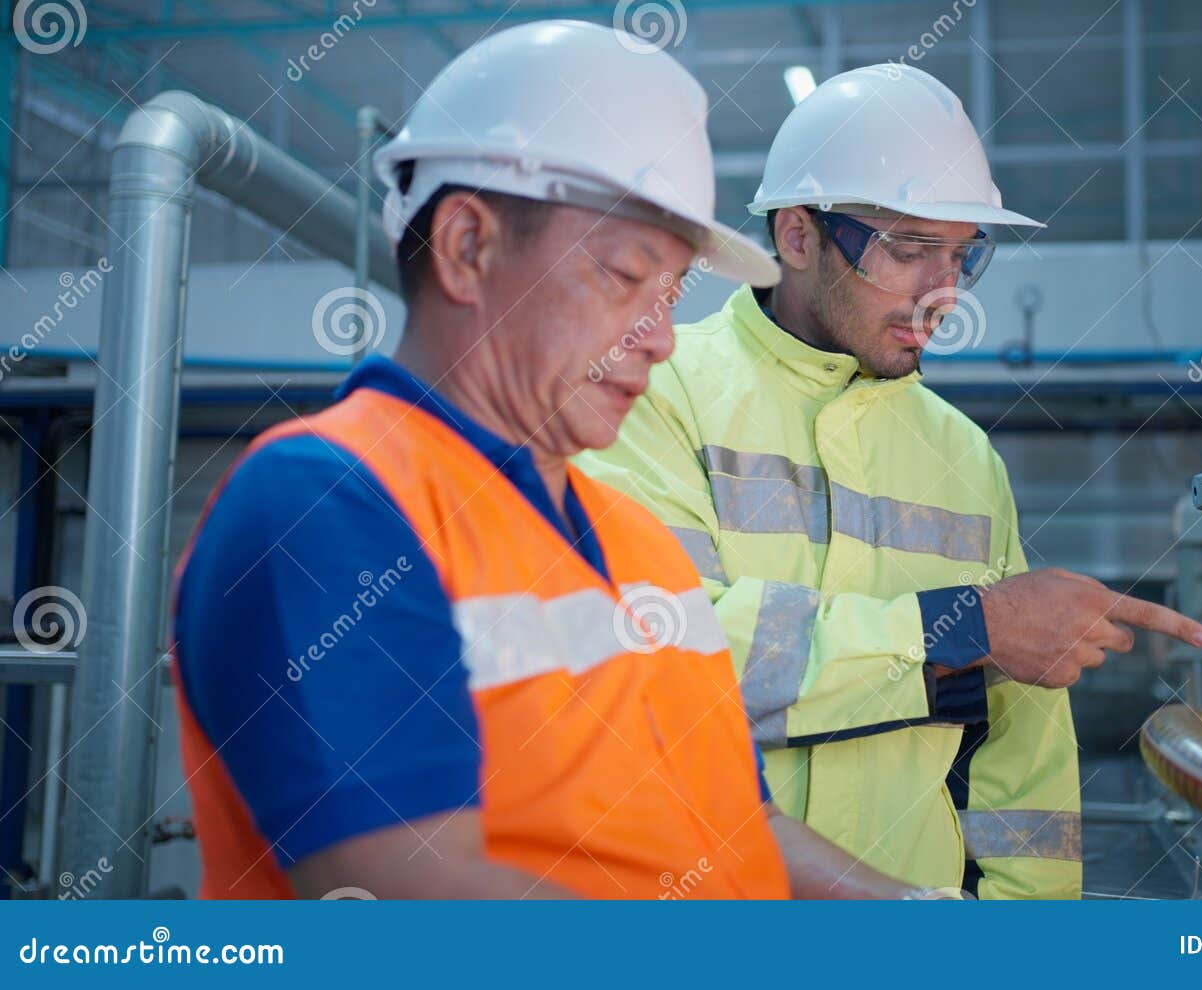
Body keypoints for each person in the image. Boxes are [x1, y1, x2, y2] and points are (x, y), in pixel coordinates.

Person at [172, 21, 934, 900]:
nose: (660, 341)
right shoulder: (325, 501)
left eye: (673, 294)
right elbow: (408, 890)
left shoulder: (638, 543)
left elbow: (742, 829)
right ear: (467, 246)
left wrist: (918, 917)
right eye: (624, 278)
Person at [580, 63, 1202, 899]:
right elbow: (661, 658)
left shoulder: (962, 454)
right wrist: (963, 629)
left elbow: (1024, 760)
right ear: (798, 236)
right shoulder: (654, 393)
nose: (942, 294)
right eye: (910, 250)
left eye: (962, 256)